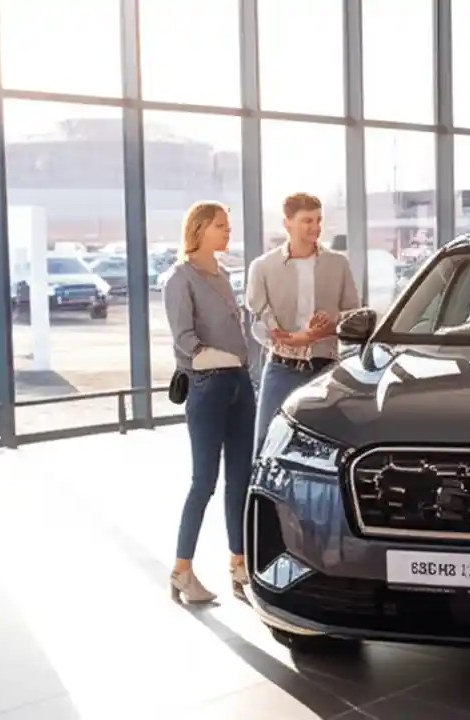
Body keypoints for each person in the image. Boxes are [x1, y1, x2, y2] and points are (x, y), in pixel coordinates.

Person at [163, 201, 256, 604]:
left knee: (241, 478)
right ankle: (182, 570)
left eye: (227, 225)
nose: (227, 232)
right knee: (204, 482)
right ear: (199, 229)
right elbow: (183, 336)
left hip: (239, 383)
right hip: (206, 387)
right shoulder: (178, 278)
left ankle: (240, 565)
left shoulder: (224, 275)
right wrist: (214, 356)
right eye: (220, 226)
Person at [246, 192, 360, 452]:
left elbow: (354, 314)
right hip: (281, 368)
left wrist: (330, 325)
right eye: (307, 220)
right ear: (287, 223)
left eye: (318, 220)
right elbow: (258, 320)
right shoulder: (262, 267)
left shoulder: (338, 264)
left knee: (326, 448)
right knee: (267, 445)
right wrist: (287, 338)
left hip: (326, 370)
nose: (315, 227)